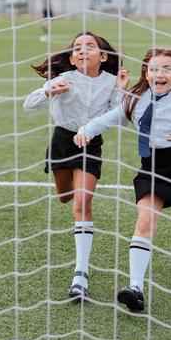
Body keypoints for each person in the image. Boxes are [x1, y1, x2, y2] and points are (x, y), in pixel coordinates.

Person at [74, 47, 171, 312]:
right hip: (150, 168)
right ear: (147, 72)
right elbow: (108, 119)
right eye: (154, 68)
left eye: (167, 69)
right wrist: (85, 130)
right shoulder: (135, 99)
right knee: (144, 221)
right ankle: (136, 289)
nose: (159, 73)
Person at [24, 32, 129, 301]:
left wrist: (121, 89)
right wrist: (48, 90)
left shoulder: (110, 82)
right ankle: (70, 194)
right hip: (61, 141)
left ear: (103, 57)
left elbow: (120, 119)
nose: (83, 51)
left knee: (81, 203)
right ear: (71, 57)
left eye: (90, 47)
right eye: (77, 48)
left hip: (90, 144)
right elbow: (28, 105)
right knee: (65, 196)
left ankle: (80, 273)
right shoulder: (63, 79)